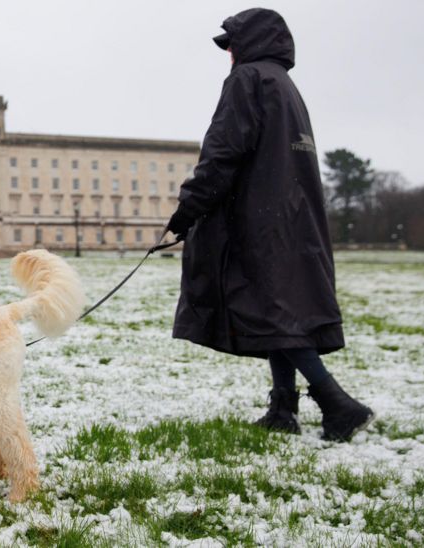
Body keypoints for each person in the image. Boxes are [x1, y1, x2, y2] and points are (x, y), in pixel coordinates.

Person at [166, 8, 374, 442]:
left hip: (258, 221)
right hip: (293, 218)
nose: (229, 53)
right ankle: (283, 408)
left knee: (272, 308)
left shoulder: (247, 79)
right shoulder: (285, 86)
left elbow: (223, 152)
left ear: (250, 43)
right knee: (278, 310)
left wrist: (189, 209)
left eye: (232, 45)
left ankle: (337, 403)